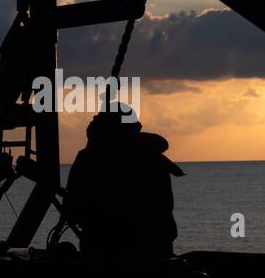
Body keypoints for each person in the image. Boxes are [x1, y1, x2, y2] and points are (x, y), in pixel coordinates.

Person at [63, 102, 183, 259]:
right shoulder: (152, 155)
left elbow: (71, 209)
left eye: (98, 120)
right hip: (157, 249)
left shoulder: (90, 158)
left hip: (105, 250)